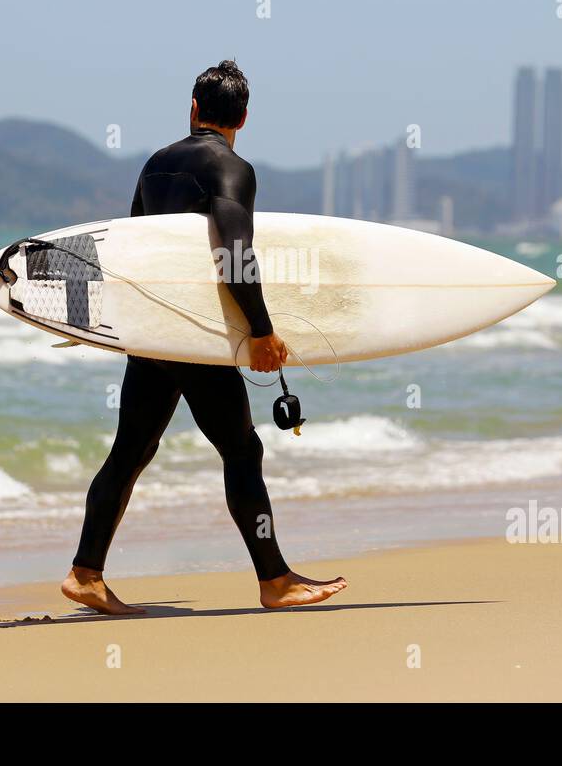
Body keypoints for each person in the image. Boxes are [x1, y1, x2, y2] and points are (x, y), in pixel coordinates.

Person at [61, 60, 348, 613]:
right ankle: (276, 581)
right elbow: (235, 253)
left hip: (155, 334)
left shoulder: (154, 166)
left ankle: (86, 573)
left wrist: (130, 330)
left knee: (130, 452)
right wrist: (262, 332)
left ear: (193, 109)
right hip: (192, 336)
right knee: (242, 450)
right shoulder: (232, 168)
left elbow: (137, 252)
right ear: (243, 116)